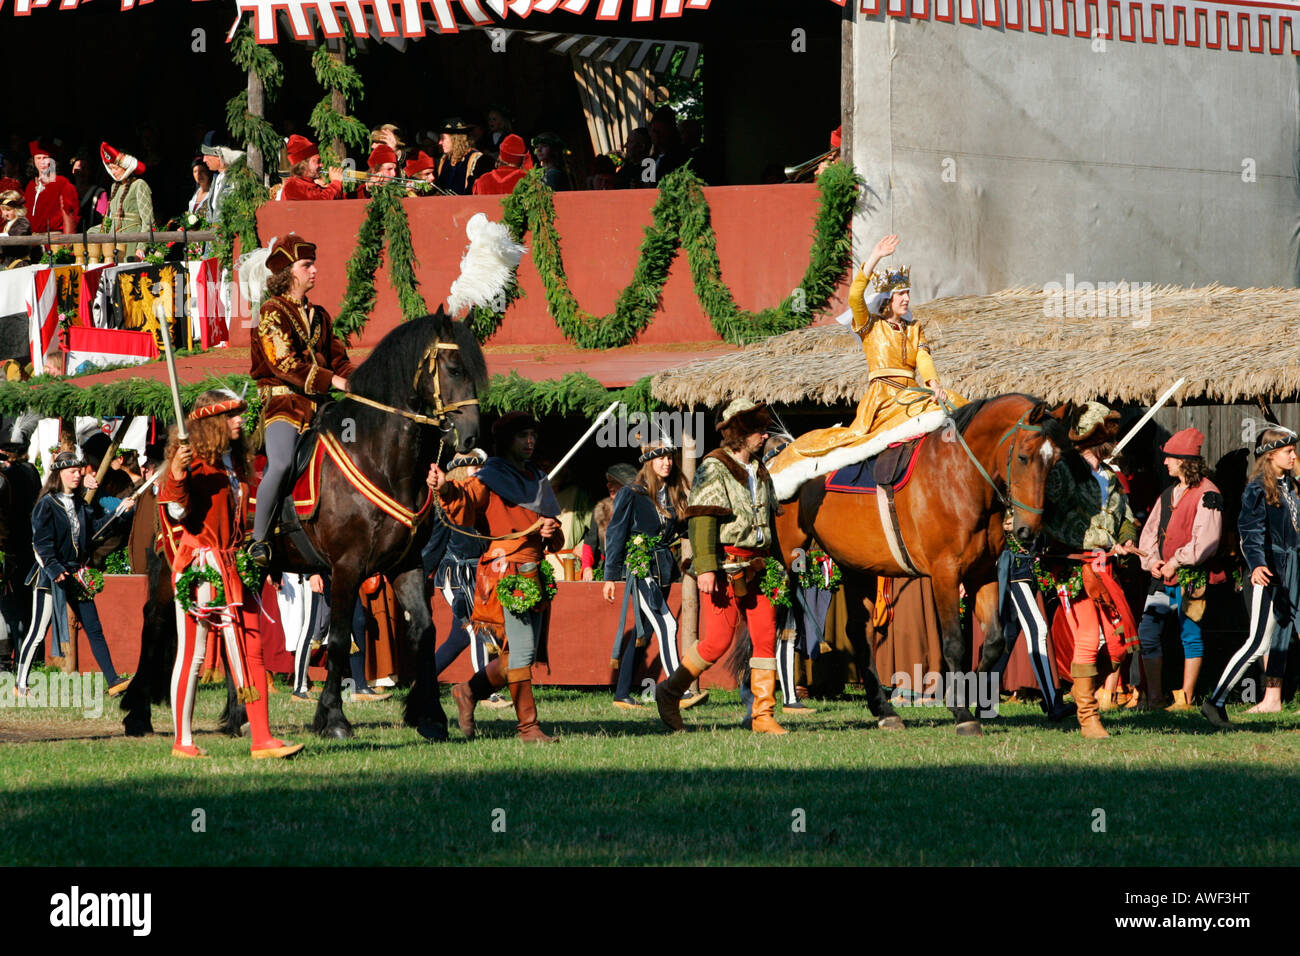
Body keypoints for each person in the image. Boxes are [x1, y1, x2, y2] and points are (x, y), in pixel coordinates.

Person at [158, 389, 303, 759]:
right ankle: (183, 741)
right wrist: (175, 474)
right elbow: (175, 511)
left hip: (236, 566)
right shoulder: (192, 464)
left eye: (240, 413)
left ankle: (262, 739)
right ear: (212, 424)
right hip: (201, 567)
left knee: (252, 650)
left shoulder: (234, 465)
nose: (241, 420)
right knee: (193, 653)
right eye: (232, 415)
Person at [427, 412, 564, 743]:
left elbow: (555, 535)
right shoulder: (489, 476)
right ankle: (528, 727)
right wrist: (445, 487)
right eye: (522, 436)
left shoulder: (537, 476)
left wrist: (550, 529)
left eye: (532, 435)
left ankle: (468, 691)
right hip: (505, 573)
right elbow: (464, 500)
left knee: (517, 654)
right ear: (506, 441)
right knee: (520, 653)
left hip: (535, 572)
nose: (530, 441)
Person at [775, 236, 964, 468]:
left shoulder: (914, 328)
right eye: (900, 293)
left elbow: (923, 357)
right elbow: (855, 297)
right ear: (888, 298)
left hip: (912, 393)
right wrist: (875, 257)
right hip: (884, 397)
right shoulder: (870, 325)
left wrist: (934, 385)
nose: (906, 298)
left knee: (955, 402)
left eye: (908, 293)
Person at [655, 399, 786, 735]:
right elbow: (701, 519)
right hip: (725, 566)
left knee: (765, 636)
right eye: (757, 428)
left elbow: (769, 521)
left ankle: (762, 714)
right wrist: (706, 569)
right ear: (739, 434)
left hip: (759, 566)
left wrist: (780, 567)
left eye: (763, 427)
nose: (764, 433)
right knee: (715, 642)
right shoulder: (714, 466)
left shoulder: (760, 469)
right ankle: (669, 692)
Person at [248, 233, 354, 566]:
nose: (314, 271)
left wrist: (358, 381)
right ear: (288, 273)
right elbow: (283, 363)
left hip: (321, 408)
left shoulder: (321, 315)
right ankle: (259, 540)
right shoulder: (271, 312)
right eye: (307, 265)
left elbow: (339, 358)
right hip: (284, 405)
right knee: (280, 463)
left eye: (313, 264)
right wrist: (332, 380)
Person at [1041, 402, 1141, 738]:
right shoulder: (1063, 471)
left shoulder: (1111, 477)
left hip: (1106, 569)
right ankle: (1088, 718)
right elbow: (1042, 511)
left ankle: (1083, 690)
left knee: (1116, 644)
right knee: (1086, 637)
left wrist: (1125, 541)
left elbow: (1126, 519)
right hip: (1073, 566)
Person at [13, 451, 135, 698]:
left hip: (76, 573)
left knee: (94, 627)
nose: (77, 475)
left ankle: (113, 681)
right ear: (59, 474)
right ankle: (20, 685)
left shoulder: (80, 504)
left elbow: (95, 531)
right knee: (37, 631)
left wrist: (119, 511)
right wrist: (56, 569)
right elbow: (41, 542)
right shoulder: (46, 504)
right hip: (50, 575)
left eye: (79, 471)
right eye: (72, 472)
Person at [1203, 427, 1300, 728]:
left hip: (1292, 570)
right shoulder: (1257, 488)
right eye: (1289, 452)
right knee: (1257, 643)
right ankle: (1214, 702)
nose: (1294, 456)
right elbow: (1250, 531)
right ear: (1271, 455)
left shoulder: (1290, 485)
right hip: (1270, 572)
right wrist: (1257, 564)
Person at [601, 442, 699, 711]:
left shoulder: (673, 493)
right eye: (661, 458)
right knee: (668, 624)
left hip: (663, 568)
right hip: (640, 568)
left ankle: (621, 695)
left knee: (641, 634)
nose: (667, 462)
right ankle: (678, 690)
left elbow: (684, 530)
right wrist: (611, 576)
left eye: (670, 458)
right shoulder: (631, 493)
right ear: (649, 462)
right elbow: (616, 534)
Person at [1135, 428, 1222, 711]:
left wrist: (1176, 561)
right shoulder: (1168, 493)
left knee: (1190, 634)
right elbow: (1149, 533)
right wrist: (1153, 561)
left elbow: (1205, 539)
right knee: (1147, 632)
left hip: (1190, 577)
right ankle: (1155, 698)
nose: (1165, 462)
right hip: (1162, 578)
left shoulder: (1208, 493)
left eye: (1170, 457)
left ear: (1184, 460)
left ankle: (1185, 698)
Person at [86, 142, 154, 263]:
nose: (113, 172)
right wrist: (90, 233)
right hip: (114, 243)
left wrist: (141, 248)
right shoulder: (114, 187)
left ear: (126, 166)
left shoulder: (139, 185)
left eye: (116, 168)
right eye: (111, 169)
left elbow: (148, 221)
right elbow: (110, 221)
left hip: (132, 241)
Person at [581, 463, 638, 579]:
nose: (608, 485)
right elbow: (590, 542)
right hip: (608, 571)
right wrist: (586, 567)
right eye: (608, 482)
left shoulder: (639, 509)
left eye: (614, 482)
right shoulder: (602, 510)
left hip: (634, 571)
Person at [23, 139, 79, 236]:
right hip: (32, 242)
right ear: (33, 161)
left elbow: (69, 217)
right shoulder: (30, 185)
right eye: (38, 158)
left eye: (45, 158)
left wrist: (67, 246)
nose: (42, 162)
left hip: (54, 242)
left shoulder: (62, 183)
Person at [278, 135, 343, 201]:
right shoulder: (293, 186)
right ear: (304, 164)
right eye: (318, 161)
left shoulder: (306, 183)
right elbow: (323, 202)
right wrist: (336, 182)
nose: (321, 165)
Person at [435, 119, 490, 195]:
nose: (440, 142)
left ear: (455, 139)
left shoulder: (477, 160)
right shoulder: (445, 160)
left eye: (443, 138)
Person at [0, 191, 31, 269]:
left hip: (19, 264)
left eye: (8, 210)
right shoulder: (8, 224)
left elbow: (15, 236)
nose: (5, 213)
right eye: (3, 210)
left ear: (17, 209)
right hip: (8, 264)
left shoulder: (22, 222)